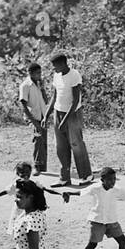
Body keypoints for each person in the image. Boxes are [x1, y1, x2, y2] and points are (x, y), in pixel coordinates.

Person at [45, 53, 91, 185]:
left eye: (55, 65)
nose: (53, 68)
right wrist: (47, 115)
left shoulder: (74, 75)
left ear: (63, 63)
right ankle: (65, 178)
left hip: (72, 114)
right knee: (60, 147)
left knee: (76, 144)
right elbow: (54, 97)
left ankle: (86, 176)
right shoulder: (56, 76)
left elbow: (76, 100)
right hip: (58, 112)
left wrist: (65, 120)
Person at [18, 62, 49, 175]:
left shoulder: (39, 84)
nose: (39, 75)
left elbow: (46, 101)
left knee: (43, 142)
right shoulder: (25, 85)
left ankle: (43, 167)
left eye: (40, 73)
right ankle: (36, 166)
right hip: (33, 117)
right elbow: (23, 105)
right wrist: (34, 123)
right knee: (37, 140)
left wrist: (42, 89)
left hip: (42, 117)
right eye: (37, 73)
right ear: (30, 73)